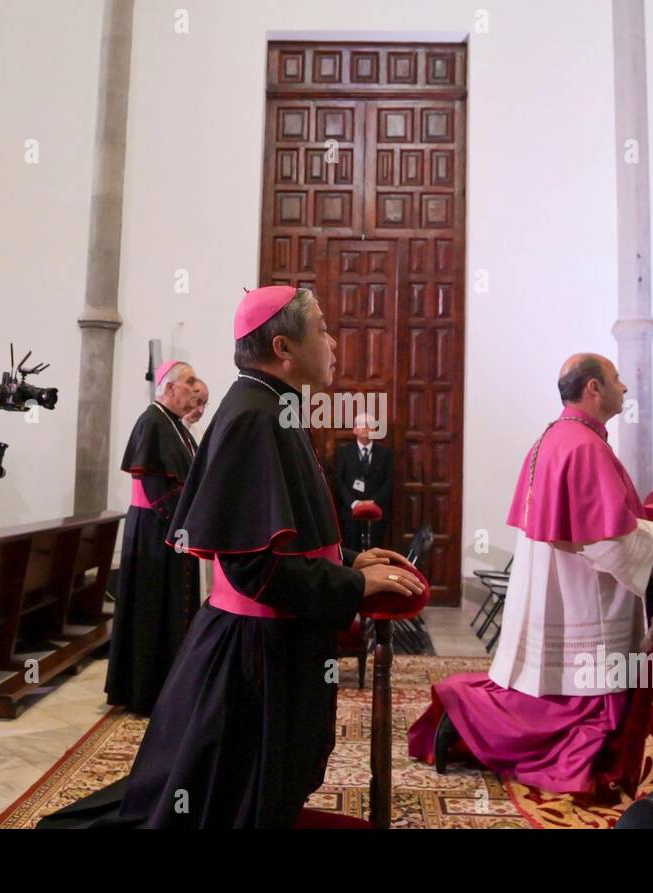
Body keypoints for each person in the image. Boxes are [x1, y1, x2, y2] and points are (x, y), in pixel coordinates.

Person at [41, 286, 421, 828]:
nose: (335, 342)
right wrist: (353, 589)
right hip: (254, 657)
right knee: (237, 801)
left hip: (272, 645)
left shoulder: (271, 405)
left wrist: (349, 566)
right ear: (285, 346)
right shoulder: (253, 416)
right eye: (323, 329)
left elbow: (285, 540)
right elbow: (255, 567)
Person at [406, 353, 653, 792]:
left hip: (559, 584)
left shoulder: (558, 437)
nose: (625, 388)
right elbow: (605, 541)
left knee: (552, 690)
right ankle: (467, 714)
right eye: (617, 380)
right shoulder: (584, 446)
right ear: (594, 389)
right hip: (581, 593)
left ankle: (467, 716)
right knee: (580, 704)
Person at [103, 360, 203, 714]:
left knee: (169, 609)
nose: (194, 387)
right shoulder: (152, 421)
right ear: (169, 387)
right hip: (155, 533)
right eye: (188, 381)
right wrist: (182, 527)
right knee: (151, 610)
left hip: (170, 531)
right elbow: (157, 486)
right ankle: (146, 690)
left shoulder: (174, 424)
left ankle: (168, 685)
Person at [333, 412, 393, 550]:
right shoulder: (344, 452)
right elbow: (338, 480)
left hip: (376, 510)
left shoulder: (385, 454)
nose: (365, 428)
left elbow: (389, 481)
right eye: (361, 425)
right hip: (350, 510)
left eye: (369, 425)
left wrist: (373, 501)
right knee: (351, 550)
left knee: (375, 551)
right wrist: (354, 503)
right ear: (354, 429)